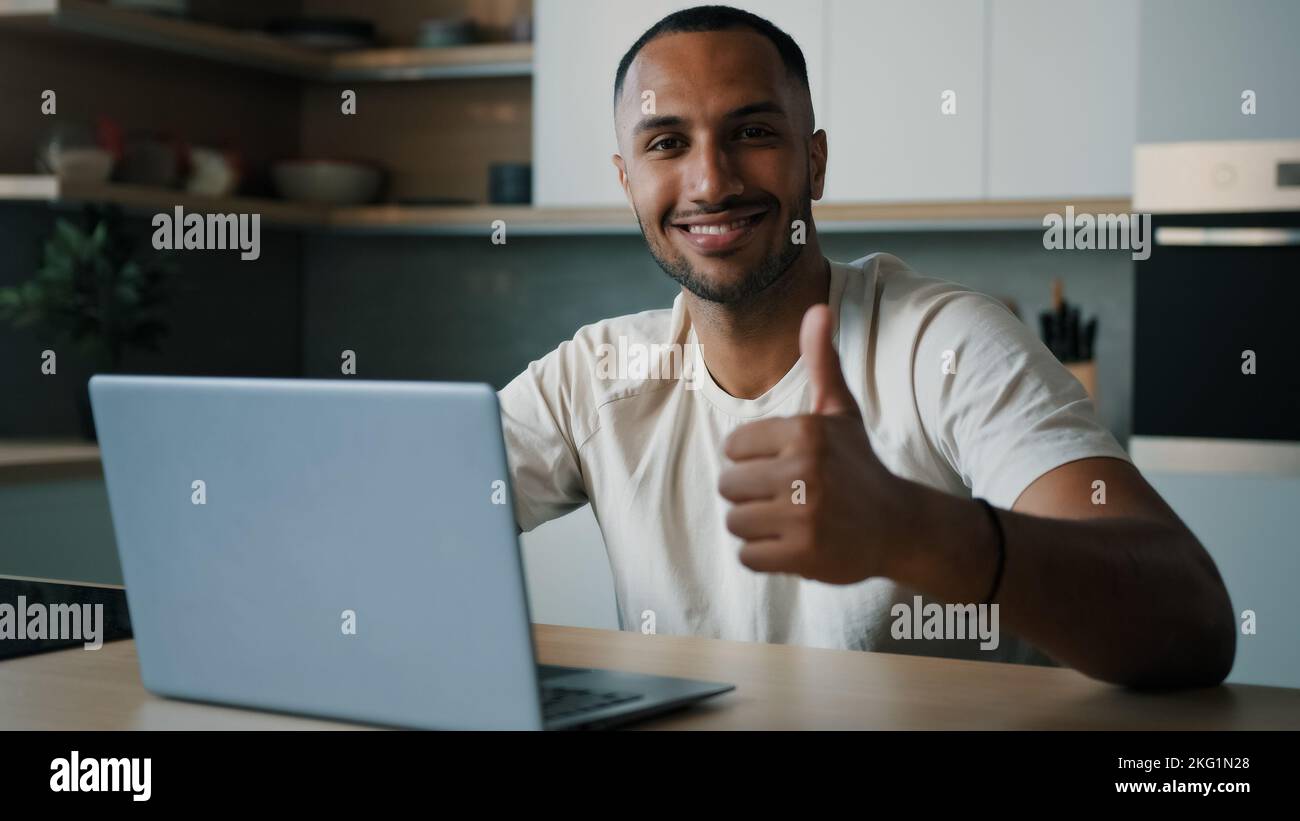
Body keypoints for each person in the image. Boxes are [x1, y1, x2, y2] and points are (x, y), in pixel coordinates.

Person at [499, 5, 1235, 687]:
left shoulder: (947, 345)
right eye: (667, 143)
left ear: (814, 163)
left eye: (753, 132)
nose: (710, 181)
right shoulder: (593, 378)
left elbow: (1194, 618)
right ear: (628, 181)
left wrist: (917, 529)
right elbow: (402, 510)